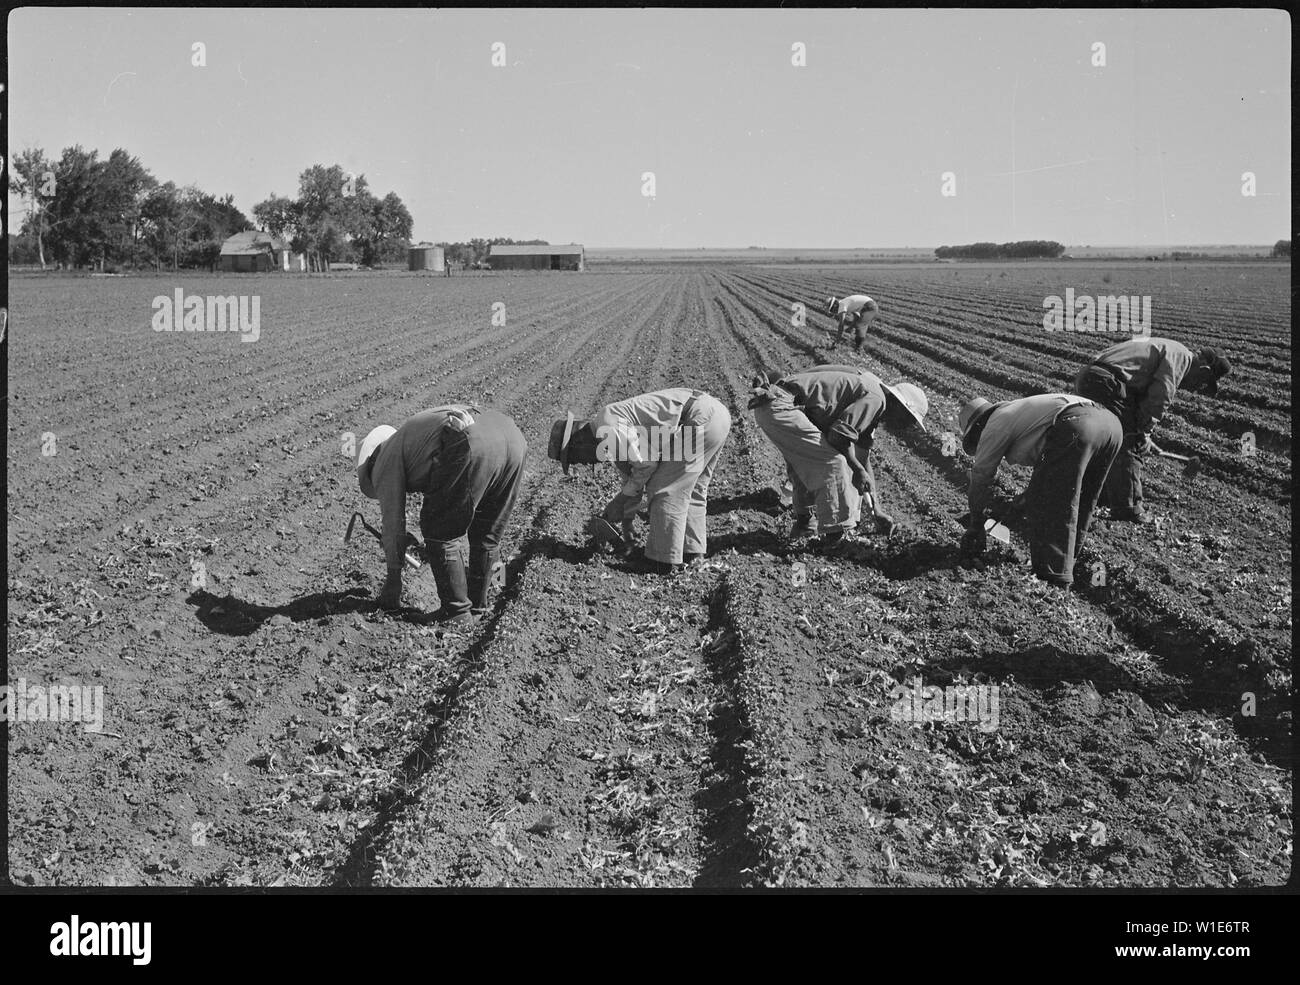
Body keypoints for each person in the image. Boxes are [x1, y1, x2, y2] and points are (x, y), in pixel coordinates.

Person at [355, 404, 527, 623]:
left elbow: (393, 522)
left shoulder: (383, 460)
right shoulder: (412, 438)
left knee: (439, 530)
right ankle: (479, 608)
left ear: (371, 460)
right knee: (487, 535)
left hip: (473, 442)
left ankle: (455, 613)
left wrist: (393, 581)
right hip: (512, 437)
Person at [548, 388, 731, 576]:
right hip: (715, 416)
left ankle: (661, 563)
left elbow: (647, 466)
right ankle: (693, 553)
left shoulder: (609, 427)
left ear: (578, 442)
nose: (585, 463)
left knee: (664, 488)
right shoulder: (609, 435)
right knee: (691, 489)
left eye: (577, 459)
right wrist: (627, 522)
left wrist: (618, 502)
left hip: (699, 419)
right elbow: (632, 476)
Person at [749, 364, 927, 544]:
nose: (906, 427)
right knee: (835, 462)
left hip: (772, 403)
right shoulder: (876, 400)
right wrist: (856, 469)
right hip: (782, 407)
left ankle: (804, 526)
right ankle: (835, 539)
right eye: (908, 419)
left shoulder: (873, 391)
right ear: (898, 405)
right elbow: (838, 436)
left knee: (810, 461)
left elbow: (862, 459)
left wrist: (877, 509)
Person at [958, 393, 1121, 588]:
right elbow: (1049, 476)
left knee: (1048, 504)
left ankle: (1052, 579)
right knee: (1082, 500)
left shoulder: (994, 424)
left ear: (978, 427)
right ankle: (1068, 567)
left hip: (1077, 425)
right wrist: (1019, 503)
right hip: (1111, 426)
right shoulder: (1017, 412)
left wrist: (976, 524)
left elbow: (981, 477)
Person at [1073, 337, 1230, 523]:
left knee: (1106, 440)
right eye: (1202, 382)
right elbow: (1160, 396)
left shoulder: (1169, 347)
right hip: (1108, 382)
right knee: (1129, 442)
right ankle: (1128, 508)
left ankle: (1093, 496)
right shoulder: (1181, 358)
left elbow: (1138, 399)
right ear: (1204, 370)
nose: (1195, 387)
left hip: (1091, 377)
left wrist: (1142, 429)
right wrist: (1143, 433)